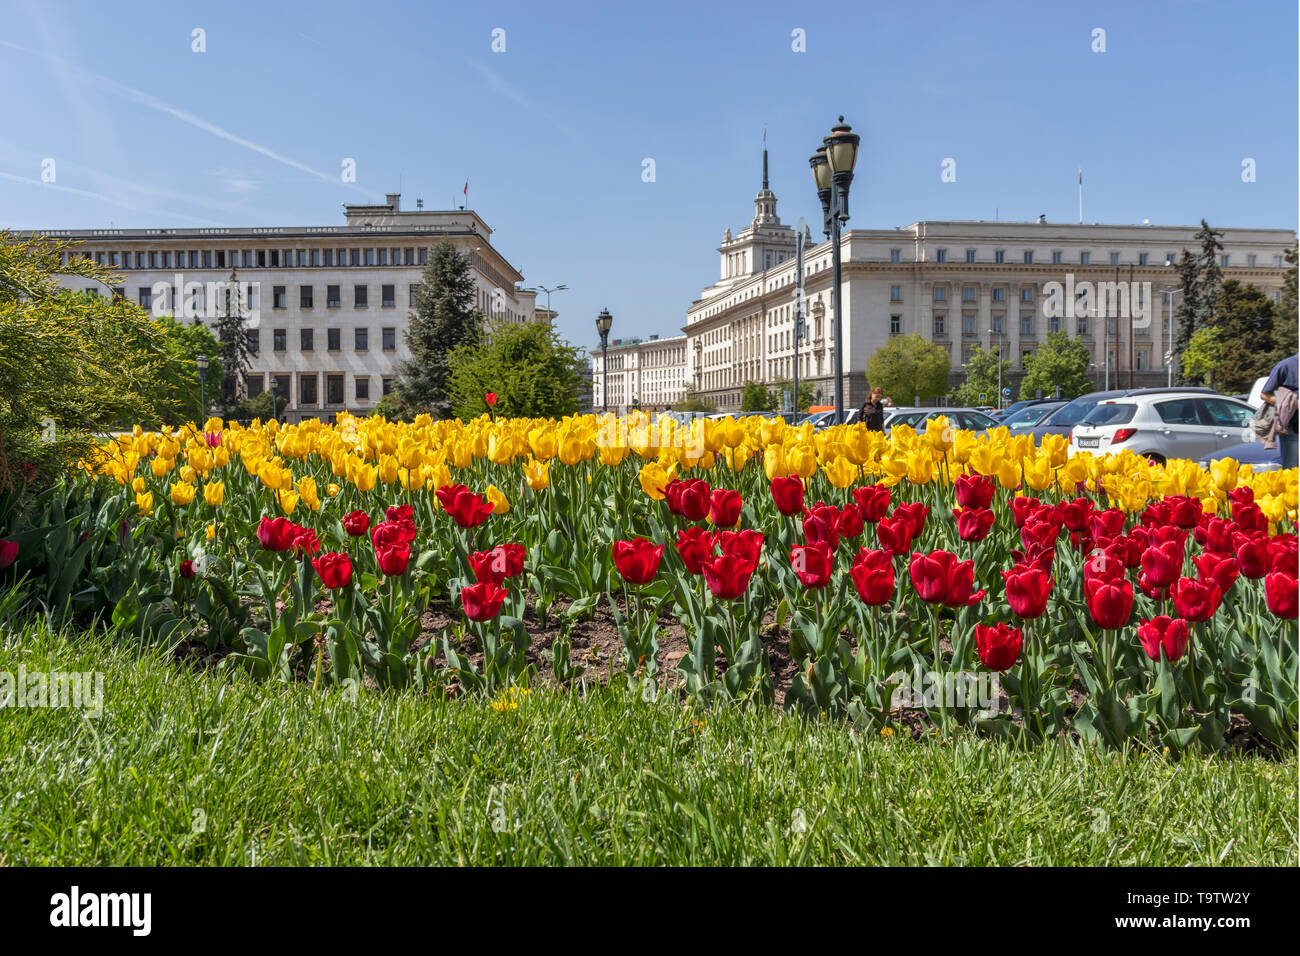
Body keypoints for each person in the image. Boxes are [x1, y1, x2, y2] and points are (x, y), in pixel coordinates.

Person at [1261, 353, 1299, 468]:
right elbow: (1264, 395)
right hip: (1292, 427)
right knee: (1292, 468)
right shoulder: (1286, 365)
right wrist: (1292, 403)